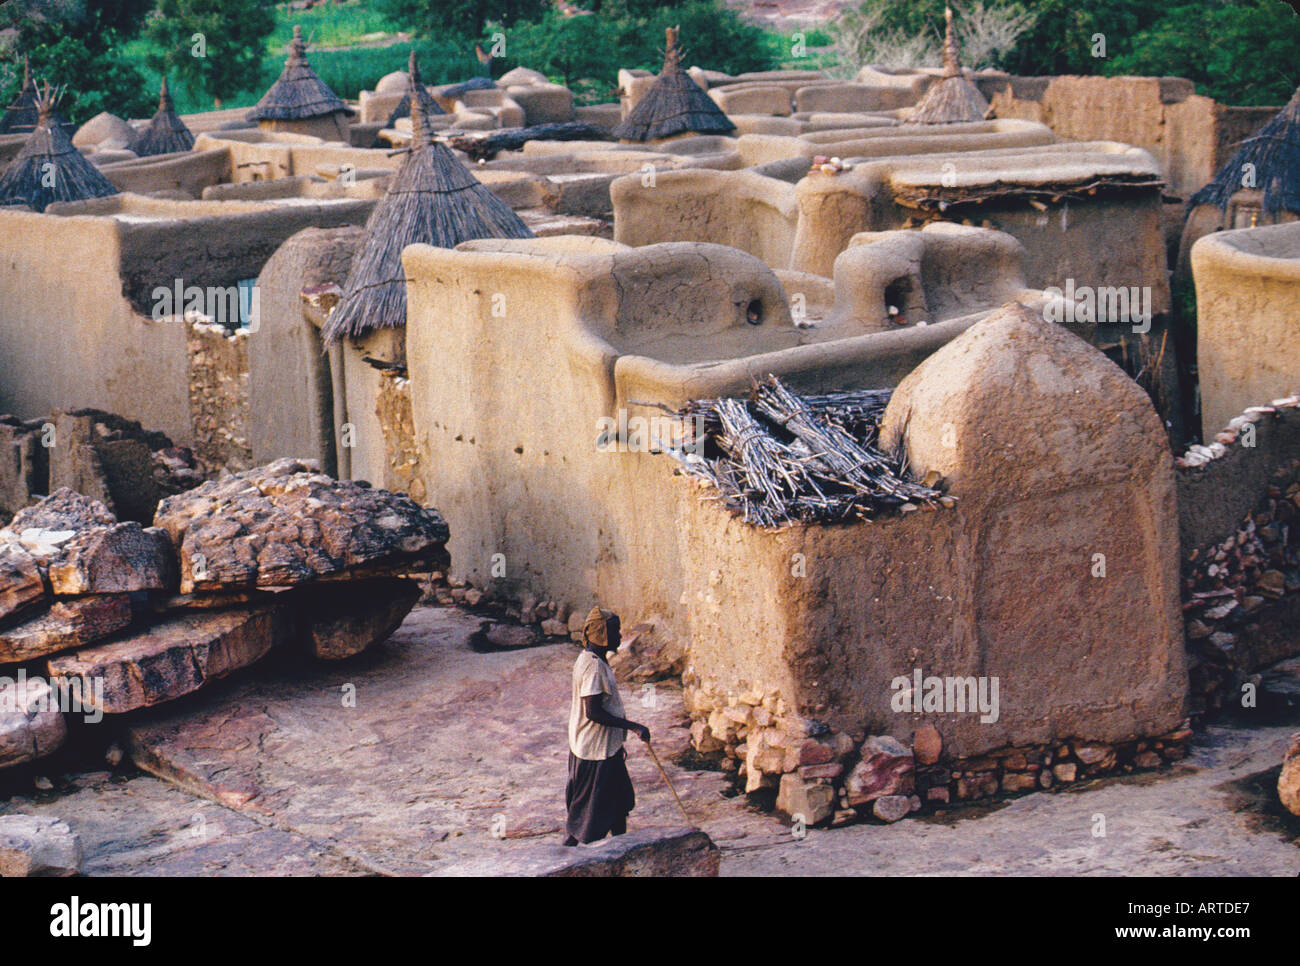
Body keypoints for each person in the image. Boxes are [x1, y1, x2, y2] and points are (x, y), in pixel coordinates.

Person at [564, 606, 650, 846]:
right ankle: (564, 861)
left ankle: (621, 851)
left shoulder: (594, 660)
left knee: (618, 805)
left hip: (605, 749)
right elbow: (593, 712)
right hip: (595, 752)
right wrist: (634, 726)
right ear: (601, 634)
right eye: (615, 632)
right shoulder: (592, 666)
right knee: (585, 819)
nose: (620, 637)